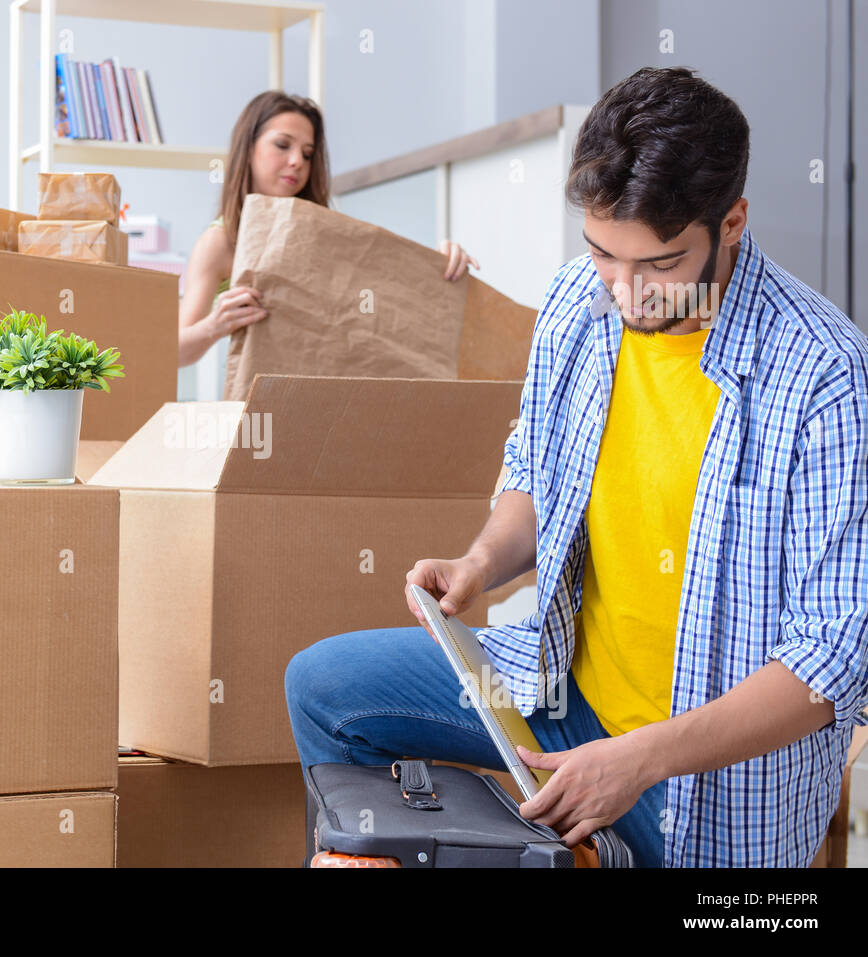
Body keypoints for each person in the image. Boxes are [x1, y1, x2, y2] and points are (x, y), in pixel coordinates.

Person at [285, 66, 868, 867]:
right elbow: (534, 471)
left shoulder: (825, 373)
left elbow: (832, 657)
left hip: (708, 790)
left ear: (731, 222)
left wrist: (640, 759)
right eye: (603, 254)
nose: (626, 294)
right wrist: (481, 563)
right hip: (558, 697)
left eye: (659, 267)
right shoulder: (574, 302)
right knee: (324, 688)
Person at [177, 90, 479, 368]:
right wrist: (215, 325)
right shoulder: (221, 240)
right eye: (282, 145)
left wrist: (438, 264)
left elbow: (384, 294)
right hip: (262, 403)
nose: (296, 161)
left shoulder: (322, 234)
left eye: (307, 154)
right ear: (248, 148)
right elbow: (175, 352)